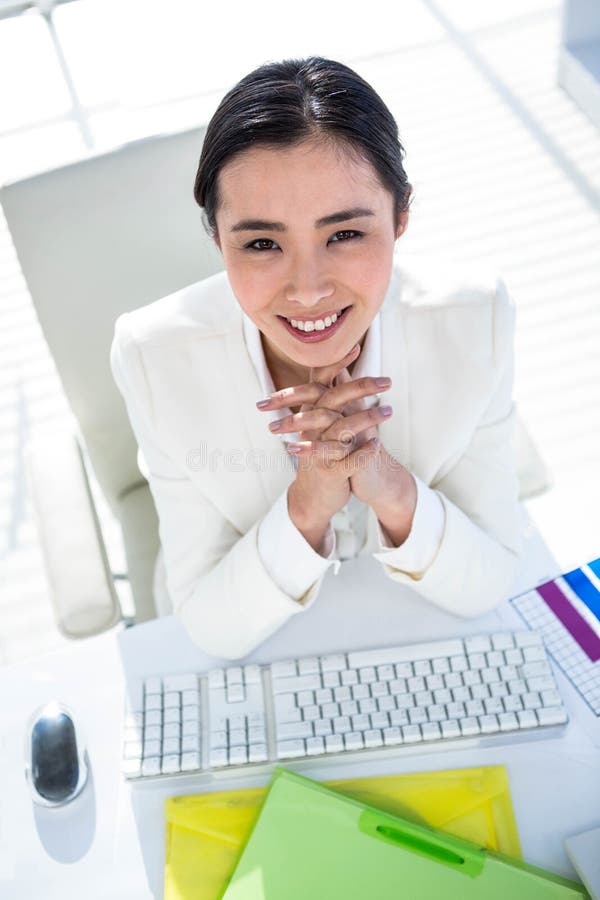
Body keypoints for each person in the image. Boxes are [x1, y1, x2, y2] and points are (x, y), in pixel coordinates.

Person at [110, 56, 525, 661]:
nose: (307, 290)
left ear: (400, 215)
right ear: (216, 239)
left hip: (429, 640)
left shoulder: (476, 317)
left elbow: (490, 579)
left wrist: (391, 489)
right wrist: (306, 508)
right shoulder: (153, 357)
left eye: (345, 234)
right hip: (261, 651)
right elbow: (210, 625)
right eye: (261, 243)